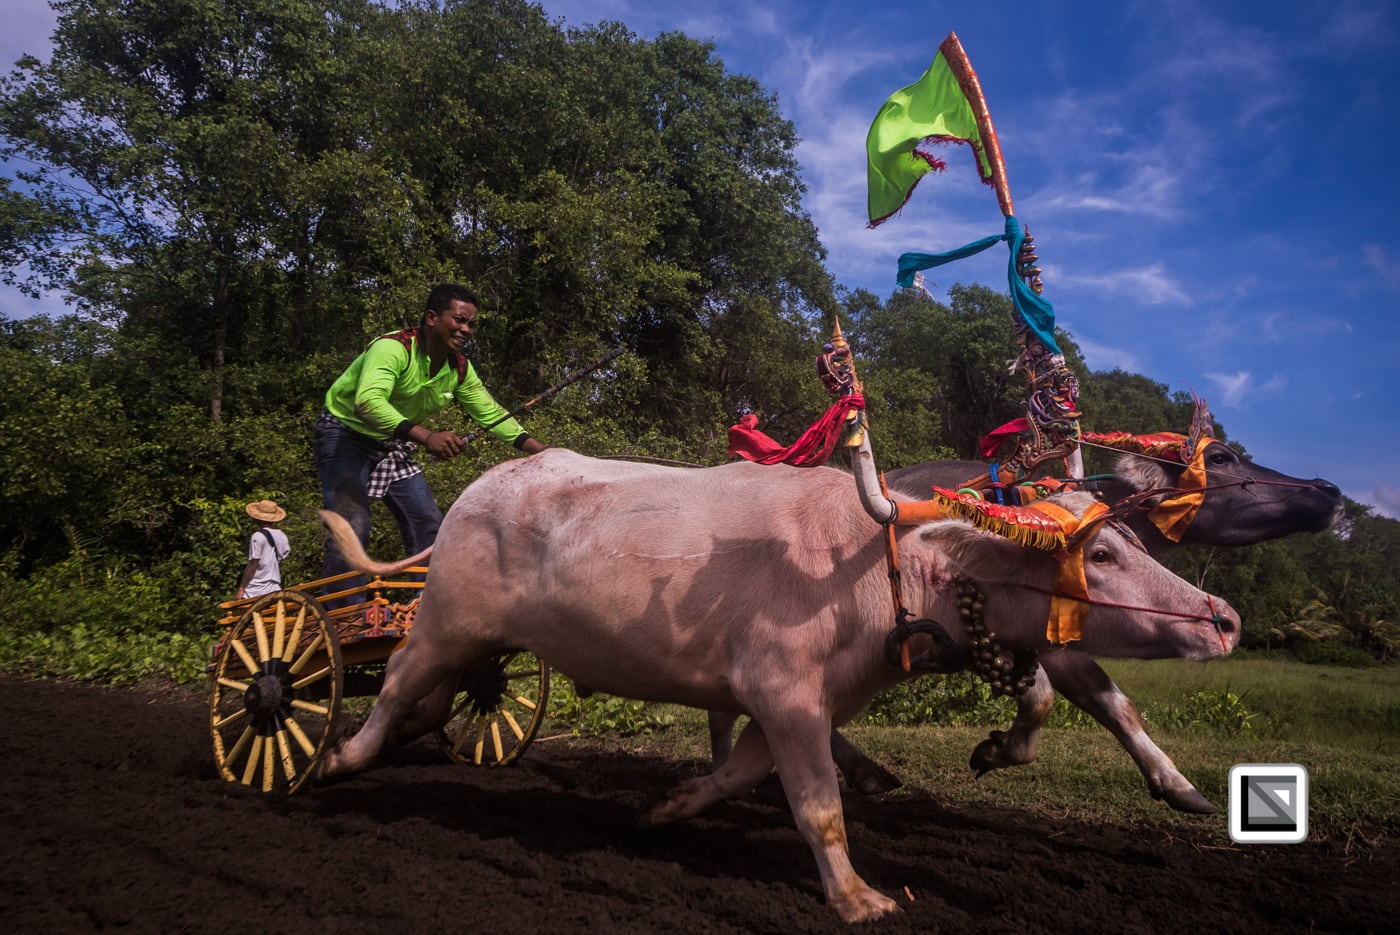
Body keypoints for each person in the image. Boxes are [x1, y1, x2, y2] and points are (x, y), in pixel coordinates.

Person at [314, 283, 548, 584]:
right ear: (431, 318)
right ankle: (342, 615)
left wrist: (542, 451)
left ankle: (422, 606)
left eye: (472, 324)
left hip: (391, 444)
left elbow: (492, 414)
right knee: (353, 524)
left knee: (428, 522)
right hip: (345, 434)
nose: (467, 330)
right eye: (460, 320)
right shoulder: (393, 348)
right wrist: (427, 437)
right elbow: (368, 403)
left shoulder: (459, 369)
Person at [235, 500, 291, 600]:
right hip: (274, 586)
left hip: (256, 588)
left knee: (244, 614)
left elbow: (253, 564)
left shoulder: (257, 536)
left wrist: (241, 588)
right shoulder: (282, 536)